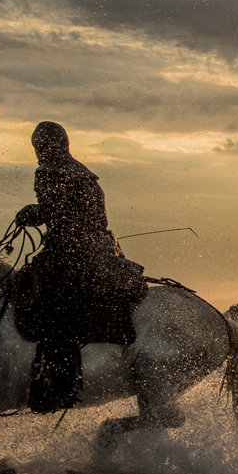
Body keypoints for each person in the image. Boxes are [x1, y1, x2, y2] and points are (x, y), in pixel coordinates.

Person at [11, 121, 146, 410]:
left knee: (47, 306)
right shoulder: (84, 173)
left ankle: (58, 382)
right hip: (102, 251)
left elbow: (54, 210)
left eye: (39, 146)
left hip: (73, 255)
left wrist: (31, 213)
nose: (38, 152)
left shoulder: (50, 172)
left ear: (47, 145)